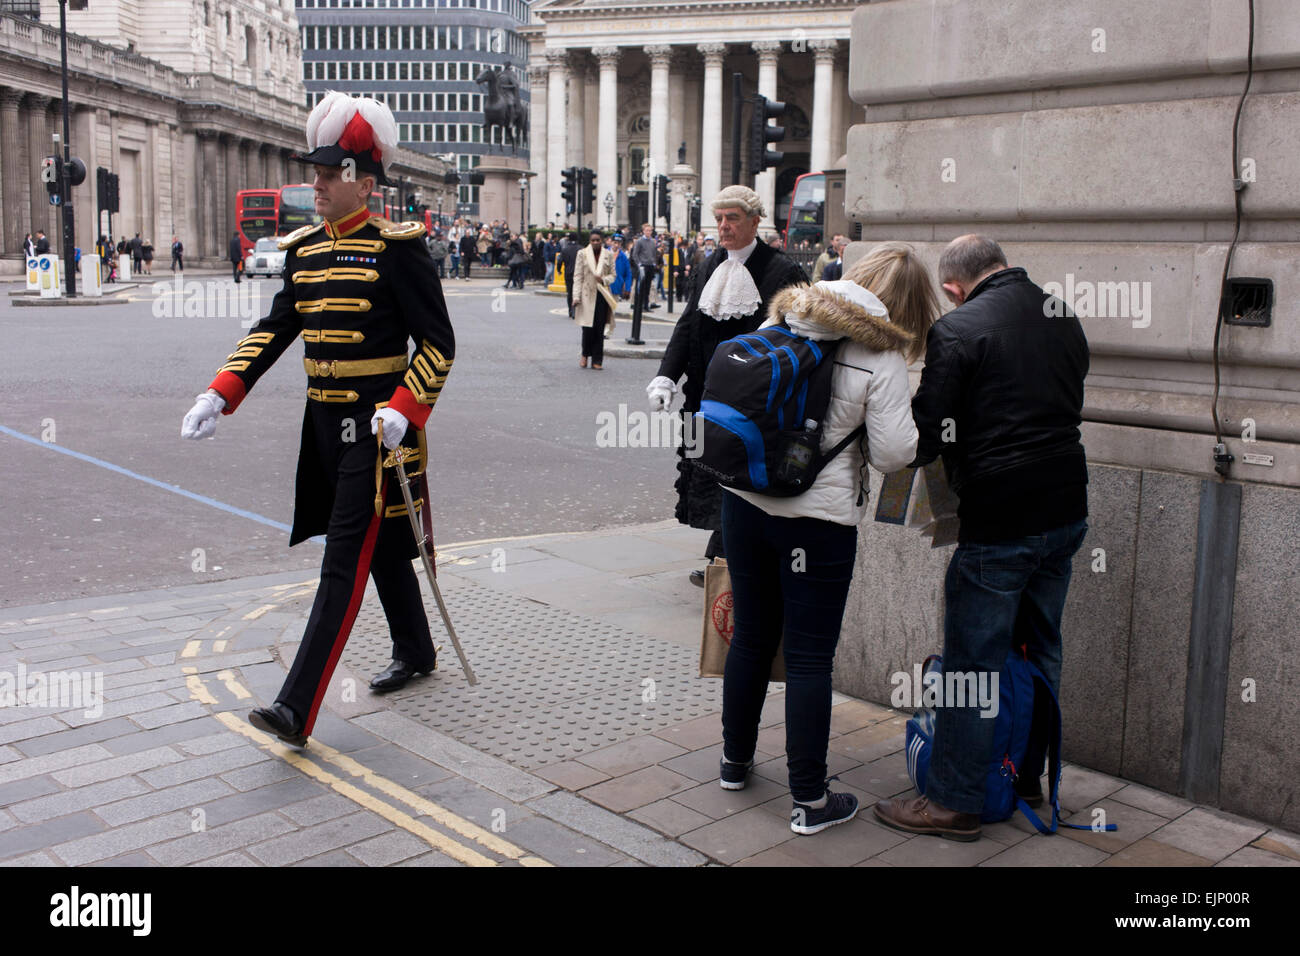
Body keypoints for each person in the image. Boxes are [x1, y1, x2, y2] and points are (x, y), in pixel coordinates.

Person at [180, 92, 455, 748]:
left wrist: (405, 409)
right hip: (324, 427)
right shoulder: (304, 250)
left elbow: (439, 345)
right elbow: (273, 331)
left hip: (377, 426)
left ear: (364, 181)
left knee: (343, 556)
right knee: (383, 540)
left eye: (330, 175)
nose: (318, 184)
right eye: (317, 173)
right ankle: (416, 648)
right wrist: (220, 392)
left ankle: (295, 706)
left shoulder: (399, 249)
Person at [873, 234, 1090, 842]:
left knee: (974, 662)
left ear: (953, 287)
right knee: (1041, 647)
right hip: (1066, 508)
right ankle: (1024, 776)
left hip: (1000, 518)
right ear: (1002, 264)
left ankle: (954, 801)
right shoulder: (1062, 313)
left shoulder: (959, 329)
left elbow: (932, 430)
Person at [719, 244, 939, 834]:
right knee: (810, 657)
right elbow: (895, 455)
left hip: (743, 501)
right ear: (906, 306)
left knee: (751, 638)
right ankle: (810, 801)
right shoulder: (882, 353)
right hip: (816, 522)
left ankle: (734, 764)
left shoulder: (787, 313)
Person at [645, 185, 807, 586]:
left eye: (732, 218)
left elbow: (797, 337)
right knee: (716, 472)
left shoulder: (782, 270)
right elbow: (688, 325)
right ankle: (724, 555)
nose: (724, 226)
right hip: (707, 396)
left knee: (744, 477)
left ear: (755, 221)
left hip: (756, 401)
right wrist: (667, 375)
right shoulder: (708, 263)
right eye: (720, 219)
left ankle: (731, 558)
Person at [572, 229, 616, 370]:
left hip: (602, 295)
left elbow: (613, 275)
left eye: (598, 240)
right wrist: (575, 296)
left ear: (602, 240)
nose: (595, 242)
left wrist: (603, 279)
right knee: (587, 328)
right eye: (593, 240)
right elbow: (578, 276)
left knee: (599, 328)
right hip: (586, 295)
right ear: (590, 241)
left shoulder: (608, 255)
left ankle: (597, 360)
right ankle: (585, 355)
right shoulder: (582, 254)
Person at [631, 222, 659, 312]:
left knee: (648, 287)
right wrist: (639, 264)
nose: (648, 232)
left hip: (650, 266)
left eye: (650, 230)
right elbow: (635, 255)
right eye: (647, 230)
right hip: (643, 266)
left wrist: (654, 262)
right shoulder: (639, 241)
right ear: (643, 231)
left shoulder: (653, 241)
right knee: (641, 287)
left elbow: (654, 253)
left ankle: (646, 306)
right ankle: (640, 306)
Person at [559, 232, 579, 318]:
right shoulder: (581, 249)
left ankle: (570, 310)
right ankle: (576, 310)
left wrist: (558, 270)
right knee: (578, 292)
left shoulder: (565, 249)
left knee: (570, 292)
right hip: (578, 274)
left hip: (568, 273)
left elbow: (560, 261)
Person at [609, 232, 632, 299]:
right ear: (611, 242)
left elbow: (628, 273)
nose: (616, 245)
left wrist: (627, 289)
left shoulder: (623, 256)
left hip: (617, 286)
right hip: (605, 286)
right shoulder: (604, 253)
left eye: (619, 243)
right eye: (615, 242)